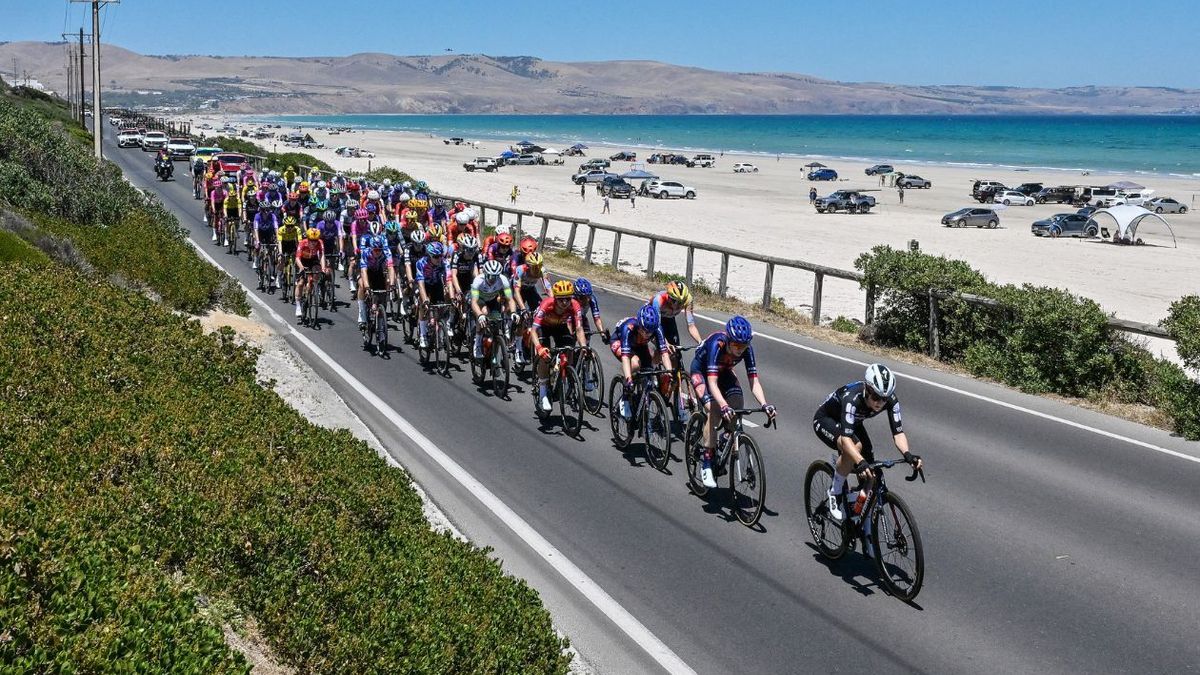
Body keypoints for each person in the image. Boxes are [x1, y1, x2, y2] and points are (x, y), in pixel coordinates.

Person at [812, 363, 922, 523]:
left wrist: (908, 455)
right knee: (856, 449)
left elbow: (898, 433)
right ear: (866, 389)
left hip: (853, 423)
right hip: (827, 419)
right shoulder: (852, 398)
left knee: (872, 474)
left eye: (884, 398)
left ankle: (857, 512)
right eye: (876, 397)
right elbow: (846, 439)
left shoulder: (890, 399)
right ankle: (835, 492)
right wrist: (860, 461)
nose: (880, 403)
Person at [690, 316, 776, 488]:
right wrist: (723, 405)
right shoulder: (717, 344)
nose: (739, 350)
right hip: (702, 372)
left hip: (724, 372)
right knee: (714, 411)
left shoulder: (746, 349)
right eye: (736, 345)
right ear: (729, 340)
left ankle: (726, 437)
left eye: (743, 346)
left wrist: (765, 404)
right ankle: (706, 462)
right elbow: (712, 383)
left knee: (737, 404)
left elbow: (754, 382)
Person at [530, 280, 588, 413]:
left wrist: (584, 347)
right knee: (545, 356)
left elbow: (579, 329)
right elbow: (533, 330)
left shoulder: (575, 305)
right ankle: (543, 389)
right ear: (555, 298)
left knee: (569, 349)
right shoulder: (546, 304)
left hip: (560, 327)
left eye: (568, 299)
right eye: (561, 300)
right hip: (544, 327)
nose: (565, 303)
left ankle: (566, 374)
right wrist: (539, 348)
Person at [609, 304, 670, 419]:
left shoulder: (657, 328)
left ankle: (639, 399)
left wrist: (669, 373)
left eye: (650, 331)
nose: (647, 334)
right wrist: (628, 379)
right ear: (639, 325)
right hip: (619, 342)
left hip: (639, 345)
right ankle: (625, 397)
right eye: (645, 330)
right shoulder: (629, 327)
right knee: (636, 363)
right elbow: (626, 357)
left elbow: (664, 353)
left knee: (649, 372)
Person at [470, 259, 520, 360]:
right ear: (485, 274)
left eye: (496, 276)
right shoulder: (478, 281)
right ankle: (478, 343)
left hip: (492, 299)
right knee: (484, 313)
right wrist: (480, 315)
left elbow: (510, 299)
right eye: (491, 276)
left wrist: (514, 313)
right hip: (480, 299)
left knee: (497, 321)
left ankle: (494, 350)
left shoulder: (503, 280)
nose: (493, 279)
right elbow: (474, 302)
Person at [294, 228, 326, 318]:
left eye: (315, 241)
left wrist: (323, 268)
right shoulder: (302, 243)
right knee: (300, 283)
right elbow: (297, 258)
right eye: (311, 241)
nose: (314, 243)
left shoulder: (320, 242)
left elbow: (322, 255)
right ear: (308, 239)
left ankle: (313, 288)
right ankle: (298, 306)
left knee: (317, 272)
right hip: (302, 262)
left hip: (313, 260)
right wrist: (302, 268)